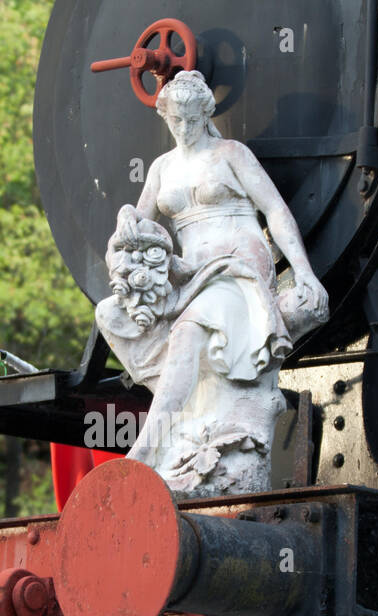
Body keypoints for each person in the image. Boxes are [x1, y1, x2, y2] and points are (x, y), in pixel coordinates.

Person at [95, 69, 329, 497]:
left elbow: (275, 212)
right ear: (165, 117)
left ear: (205, 114)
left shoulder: (230, 154)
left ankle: (146, 450)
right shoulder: (162, 168)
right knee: (110, 313)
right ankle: (181, 401)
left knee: (187, 333)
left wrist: (304, 272)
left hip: (236, 267)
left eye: (190, 119)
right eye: (175, 120)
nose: (183, 129)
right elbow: (139, 228)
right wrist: (126, 222)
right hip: (189, 277)